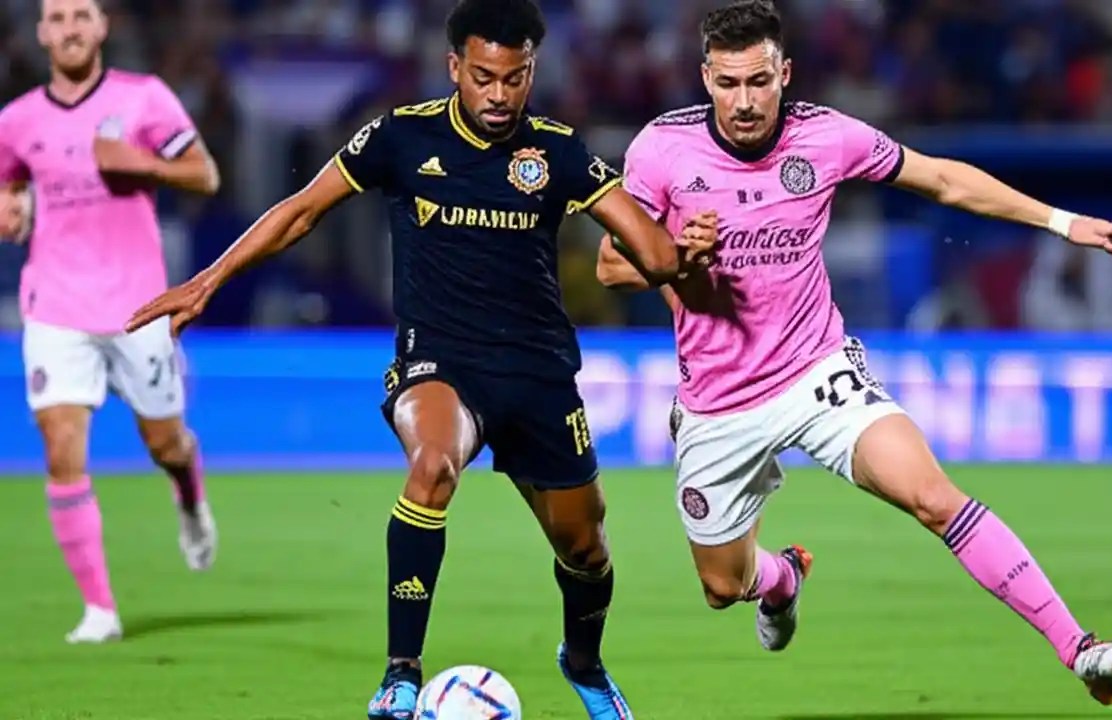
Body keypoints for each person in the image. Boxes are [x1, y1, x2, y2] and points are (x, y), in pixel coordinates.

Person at [126, 0, 713, 718]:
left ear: (532, 72)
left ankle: (584, 663)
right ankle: (400, 674)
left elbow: (652, 255)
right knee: (432, 465)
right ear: (455, 68)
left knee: (586, 547)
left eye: (515, 78)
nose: (499, 95)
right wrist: (206, 282)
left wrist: (685, 249)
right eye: (484, 77)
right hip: (438, 358)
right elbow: (303, 209)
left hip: (537, 372)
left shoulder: (556, 151)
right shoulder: (401, 137)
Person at [597, 0, 1112, 706]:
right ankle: (782, 580)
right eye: (728, 83)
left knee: (933, 496)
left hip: (816, 372)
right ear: (705, 78)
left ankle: (1081, 648)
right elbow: (613, 266)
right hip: (717, 403)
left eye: (759, 82)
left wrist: (1061, 221)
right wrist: (677, 258)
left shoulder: (826, 137)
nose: (743, 101)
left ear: (784, 73)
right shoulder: (660, 150)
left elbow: (943, 178)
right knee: (722, 586)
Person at [0, 0, 221, 644]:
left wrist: (139, 164)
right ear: (40, 33)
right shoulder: (16, 122)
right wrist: (8, 211)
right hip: (55, 307)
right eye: (57, 18)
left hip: (136, 307)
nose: (69, 28)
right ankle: (99, 609)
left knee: (165, 444)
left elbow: (204, 173)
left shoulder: (145, 98)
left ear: (102, 27)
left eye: (81, 16)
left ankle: (189, 491)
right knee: (62, 450)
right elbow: (6, 187)